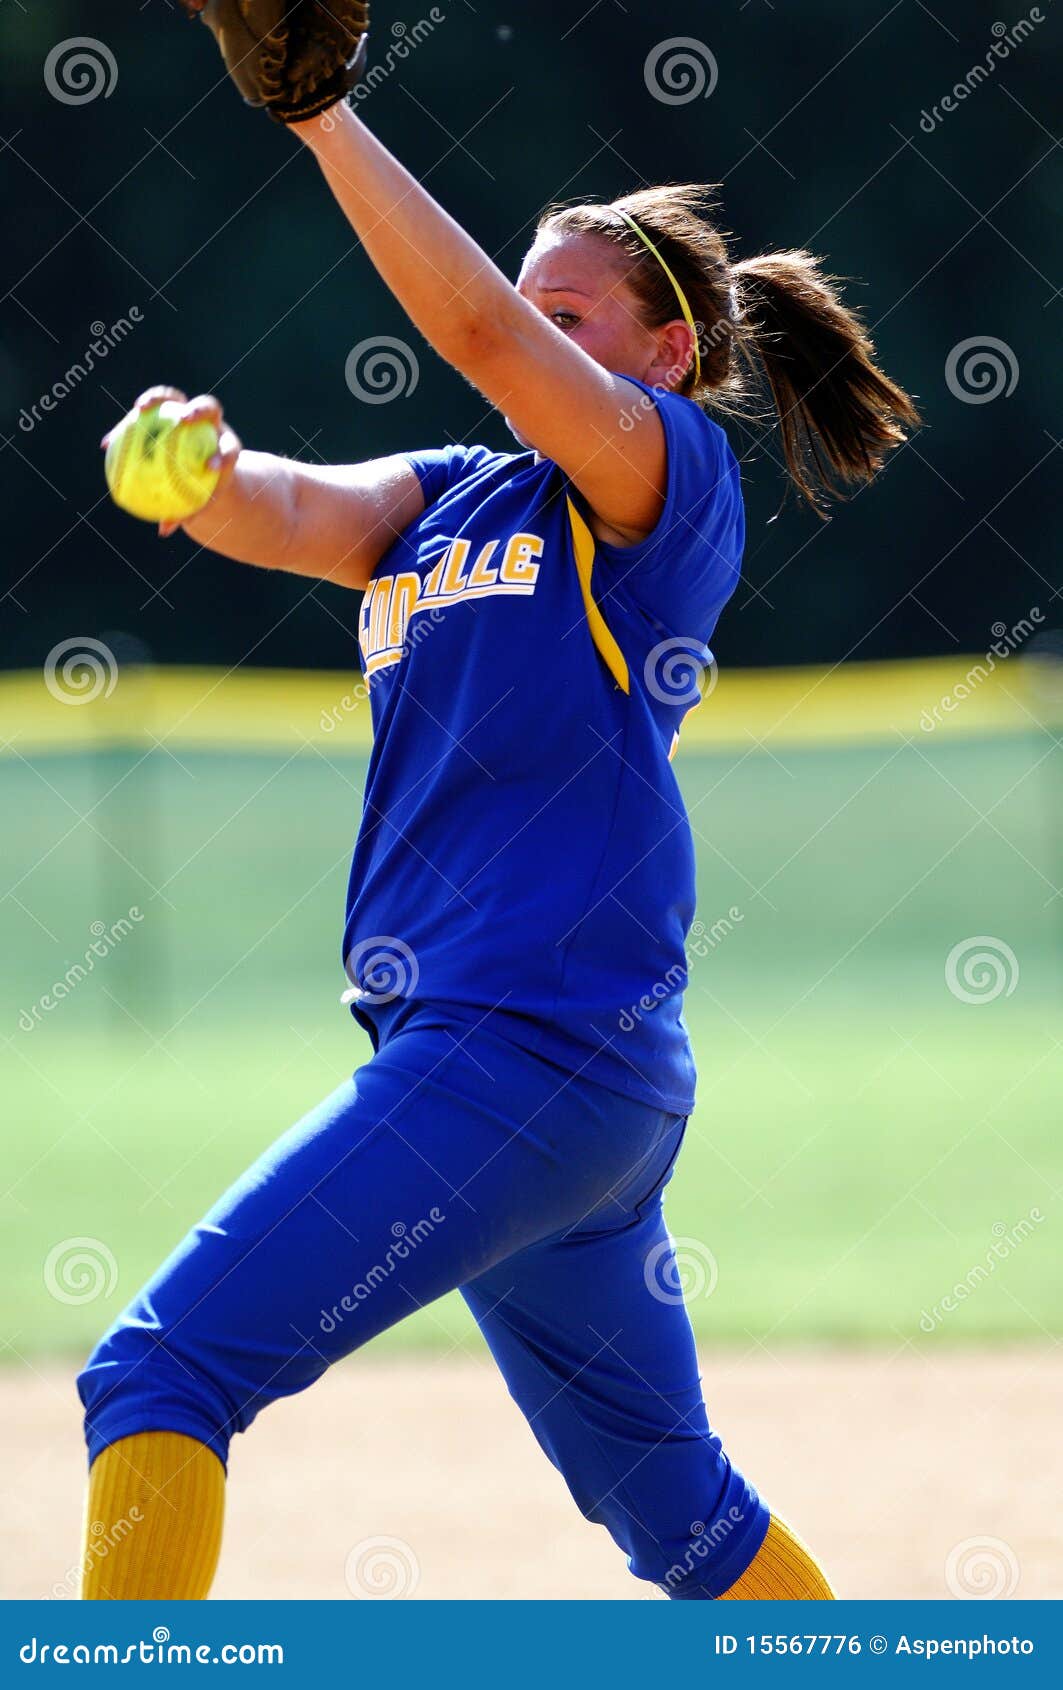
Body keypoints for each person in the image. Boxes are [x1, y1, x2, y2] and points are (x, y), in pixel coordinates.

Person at [78, 93, 918, 1599]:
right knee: (686, 1517)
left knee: (157, 1371)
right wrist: (201, 480)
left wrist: (321, 118)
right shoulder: (452, 494)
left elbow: (471, 331)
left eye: (571, 312)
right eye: (530, 300)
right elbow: (297, 508)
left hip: (519, 1053)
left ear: (667, 353)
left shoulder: (664, 479)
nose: (534, 327)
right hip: (553, 1080)